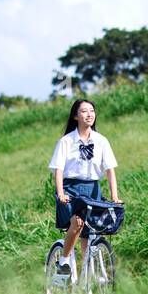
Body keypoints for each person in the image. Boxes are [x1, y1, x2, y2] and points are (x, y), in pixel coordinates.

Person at [49, 98, 120, 279]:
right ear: (75, 116)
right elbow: (59, 170)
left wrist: (114, 196)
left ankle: (86, 275)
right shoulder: (66, 141)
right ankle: (64, 261)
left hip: (92, 189)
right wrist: (61, 193)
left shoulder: (101, 141)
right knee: (77, 223)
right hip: (70, 190)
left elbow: (110, 170)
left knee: (90, 232)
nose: (89, 114)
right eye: (84, 111)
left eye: (92, 111)